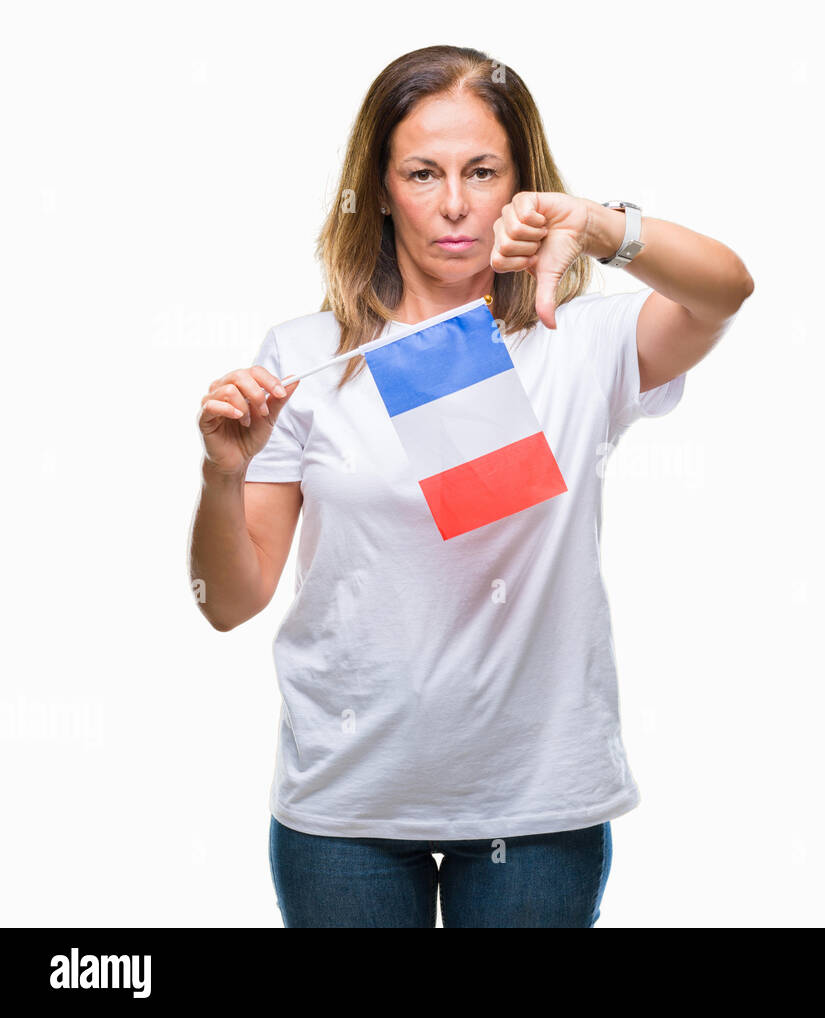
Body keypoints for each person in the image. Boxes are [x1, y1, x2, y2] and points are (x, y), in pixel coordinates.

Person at [188, 44, 754, 928]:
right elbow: (227, 602)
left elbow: (725, 292)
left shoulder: (584, 340)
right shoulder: (303, 360)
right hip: (347, 808)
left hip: (535, 804)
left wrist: (604, 227)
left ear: (522, 184)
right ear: (377, 188)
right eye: (421, 172)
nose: (454, 203)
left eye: (481, 171)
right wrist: (221, 476)